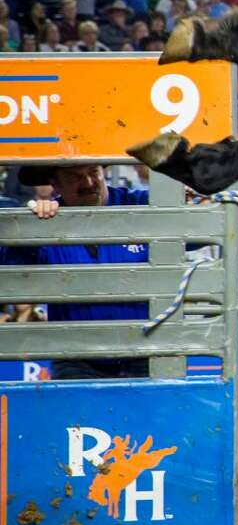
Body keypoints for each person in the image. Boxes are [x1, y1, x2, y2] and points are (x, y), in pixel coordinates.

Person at [6, 162, 149, 378]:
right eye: (75, 177)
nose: (89, 183)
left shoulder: (140, 205)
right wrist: (31, 228)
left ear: (103, 172)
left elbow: (194, 235)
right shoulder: (45, 222)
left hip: (147, 349)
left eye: (94, 172)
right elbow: (11, 262)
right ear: (55, 183)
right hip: (76, 356)